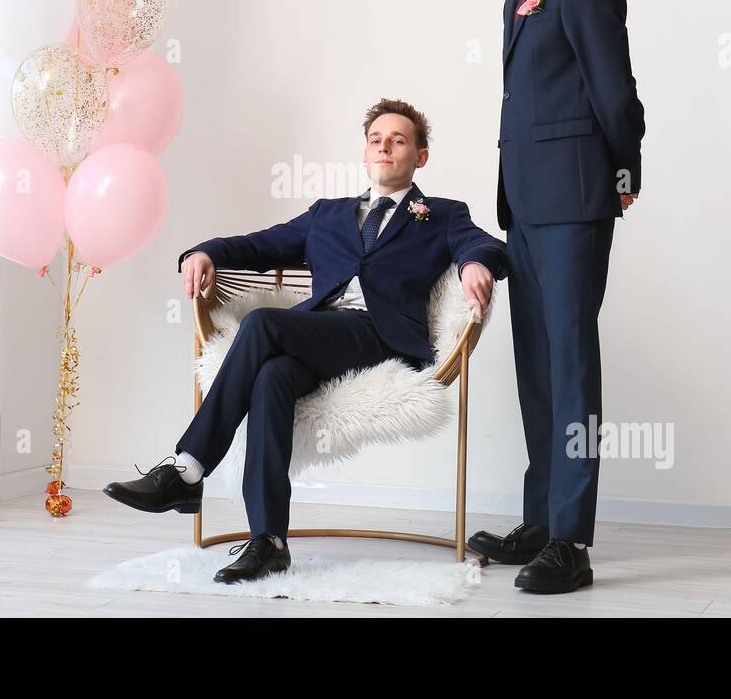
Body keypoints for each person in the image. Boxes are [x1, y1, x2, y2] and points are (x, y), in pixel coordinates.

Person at [104, 98, 507, 584]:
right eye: (376, 140)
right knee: (272, 377)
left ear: (420, 156)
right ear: (365, 153)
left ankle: (187, 467)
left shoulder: (440, 214)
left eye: (398, 140)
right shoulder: (328, 214)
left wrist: (476, 263)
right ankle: (268, 541)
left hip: (380, 338)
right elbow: (259, 244)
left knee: (263, 325)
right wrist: (202, 251)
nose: (385, 147)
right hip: (317, 336)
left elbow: (483, 244)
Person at [470, 0, 646, 594]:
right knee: (537, 369)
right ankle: (540, 520)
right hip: (529, 207)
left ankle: (570, 541)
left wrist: (625, 168)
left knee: (571, 367)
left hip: (575, 200)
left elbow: (613, 83)